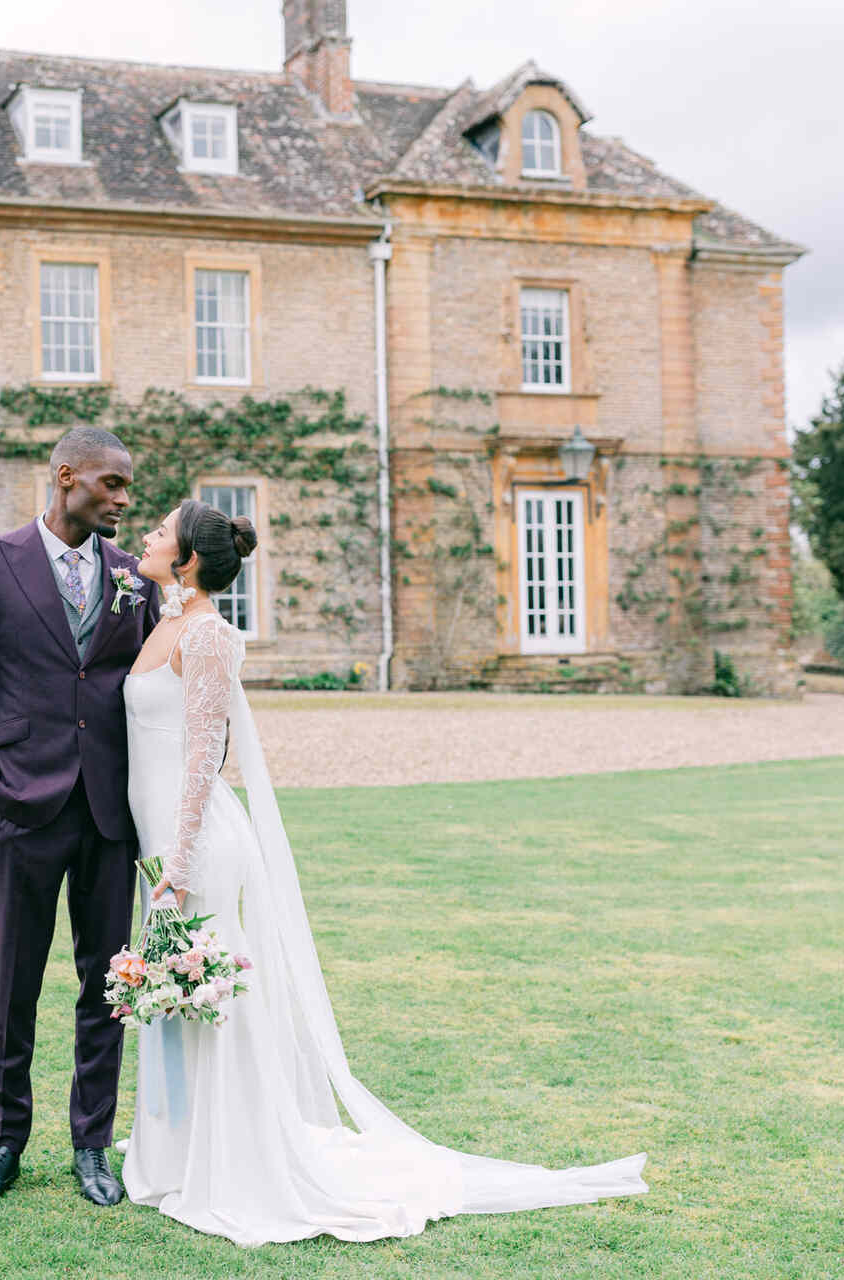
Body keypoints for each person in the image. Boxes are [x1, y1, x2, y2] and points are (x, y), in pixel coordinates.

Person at [118, 499, 649, 1246]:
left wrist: (178, 861)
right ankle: (174, 1152)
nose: (145, 534)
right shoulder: (165, 621)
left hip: (193, 844)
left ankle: (233, 1159)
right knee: (178, 1002)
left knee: (213, 1000)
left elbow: (207, 751)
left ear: (189, 559)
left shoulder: (208, 635)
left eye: (161, 532)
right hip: (156, 842)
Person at [0, 427, 160, 1211]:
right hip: (21, 807)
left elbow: (149, 689)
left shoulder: (135, 577)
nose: (124, 501)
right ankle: (2, 1147)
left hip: (109, 813)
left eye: (128, 488)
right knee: (14, 986)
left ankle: (92, 1146)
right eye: (112, 484)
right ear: (66, 477)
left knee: (107, 986)